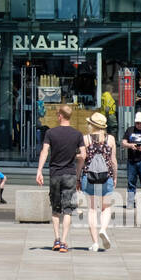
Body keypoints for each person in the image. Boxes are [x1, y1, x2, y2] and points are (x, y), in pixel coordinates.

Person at [36, 104, 85, 252]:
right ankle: (64, 242)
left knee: (56, 209)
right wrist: (78, 173)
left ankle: (56, 239)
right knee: (68, 209)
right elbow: (83, 155)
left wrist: (39, 171)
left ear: (60, 116)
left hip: (55, 173)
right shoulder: (77, 134)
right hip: (70, 173)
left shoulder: (51, 133)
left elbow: (44, 151)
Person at [80, 112, 117, 252]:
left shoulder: (86, 139)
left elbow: (82, 159)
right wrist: (115, 176)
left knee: (91, 210)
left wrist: (78, 177)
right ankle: (103, 229)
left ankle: (95, 243)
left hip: (88, 176)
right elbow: (113, 161)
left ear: (91, 125)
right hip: (106, 176)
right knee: (106, 207)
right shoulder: (110, 139)